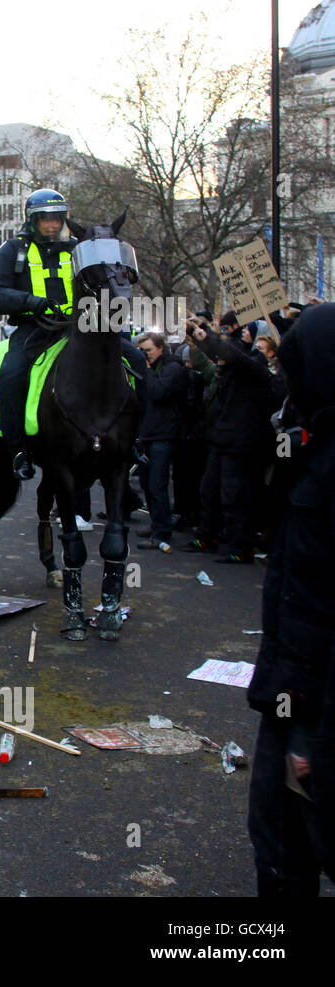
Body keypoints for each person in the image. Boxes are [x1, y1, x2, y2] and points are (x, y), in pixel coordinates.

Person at [246, 302, 335, 896]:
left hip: (308, 704)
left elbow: (312, 600)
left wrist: (309, 732)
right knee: (18, 366)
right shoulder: (312, 438)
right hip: (299, 692)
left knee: (287, 839)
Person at [0, 188, 146, 481]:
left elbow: (107, 281)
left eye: (57, 219)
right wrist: (31, 303)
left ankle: (135, 441)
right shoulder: (13, 250)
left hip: (84, 327)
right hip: (37, 329)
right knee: (10, 374)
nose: (52, 225)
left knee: (136, 360)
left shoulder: (79, 248)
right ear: (32, 221)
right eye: (45, 219)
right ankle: (19, 449)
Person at [185, 315, 276, 563]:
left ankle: (239, 547)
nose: (245, 332)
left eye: (252, 334)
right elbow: (223, 355)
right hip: (224, 436)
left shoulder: (255, 366)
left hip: (241, 439)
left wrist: (207, 335)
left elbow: (232, 356)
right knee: (210, 489)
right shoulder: (242, 361)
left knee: (234, 495)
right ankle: (208, 535)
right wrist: (202, 335)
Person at [133, 332, 186, 550]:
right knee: (147, 483)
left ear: (161, 348)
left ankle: (162, 531)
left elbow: (157, 392)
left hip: (163, 434)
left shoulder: (173, 369)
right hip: (149, 432)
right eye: (142, 351)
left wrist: (145, 370)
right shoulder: (154, 368)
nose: (146, 355)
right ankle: (156, 523)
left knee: (158, 485)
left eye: (149, 350)